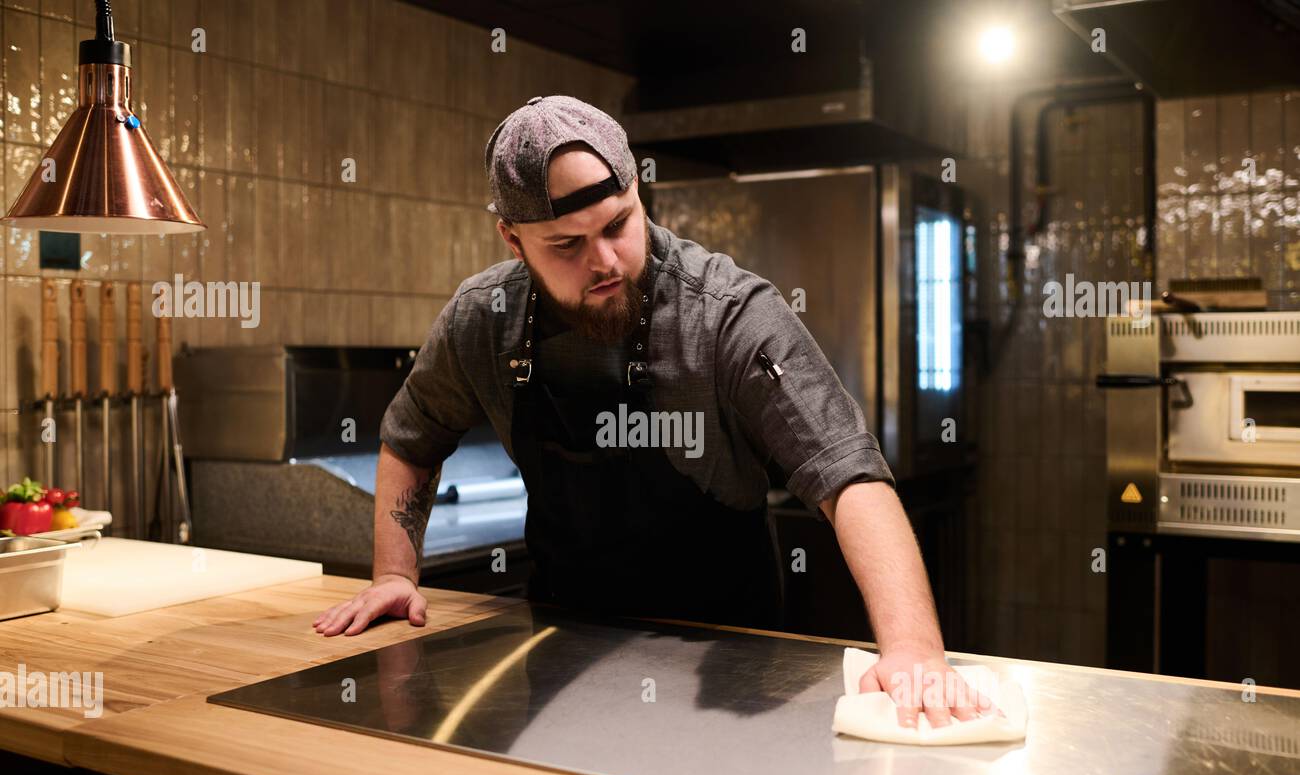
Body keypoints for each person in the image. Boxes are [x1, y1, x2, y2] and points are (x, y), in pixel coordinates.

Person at [315, 95, 991, 728]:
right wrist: (395, 574)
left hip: (732, 666)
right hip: (559, 652)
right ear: (513, 241)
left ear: (639, 194)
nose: (604, 260)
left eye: (618, 226)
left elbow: (848, 475)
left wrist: (913, 649)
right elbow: (413, 435)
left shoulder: (728, 316)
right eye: (567, 246)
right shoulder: (482, 321)